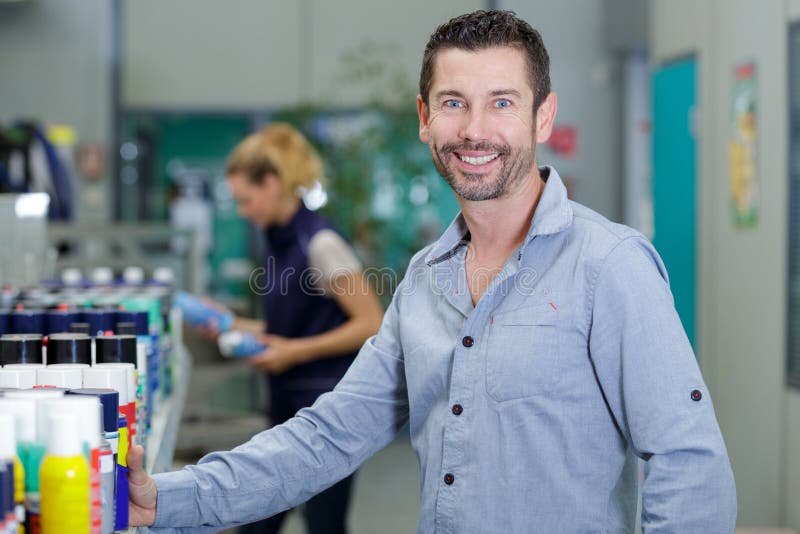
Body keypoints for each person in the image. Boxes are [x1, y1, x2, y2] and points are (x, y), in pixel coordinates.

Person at [128, 10, 737, 533]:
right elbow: (329, 436)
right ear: (425, 118)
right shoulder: (424, 281)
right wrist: (170, 499)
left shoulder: (610, 266)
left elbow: (689, 465)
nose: (474, 129)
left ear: (542, 117)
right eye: (453, 103)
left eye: (502, 102)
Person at [192, 122, 384, 533]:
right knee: (259, 518)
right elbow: (293, 322)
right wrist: (230, 323)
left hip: (327, 416)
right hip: (288, 411)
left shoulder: (320, 243)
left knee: (322, 525)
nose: (243, 212)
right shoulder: (278, 241)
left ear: (273, 183)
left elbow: (371, 323)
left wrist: (291, 353)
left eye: (246, 200)